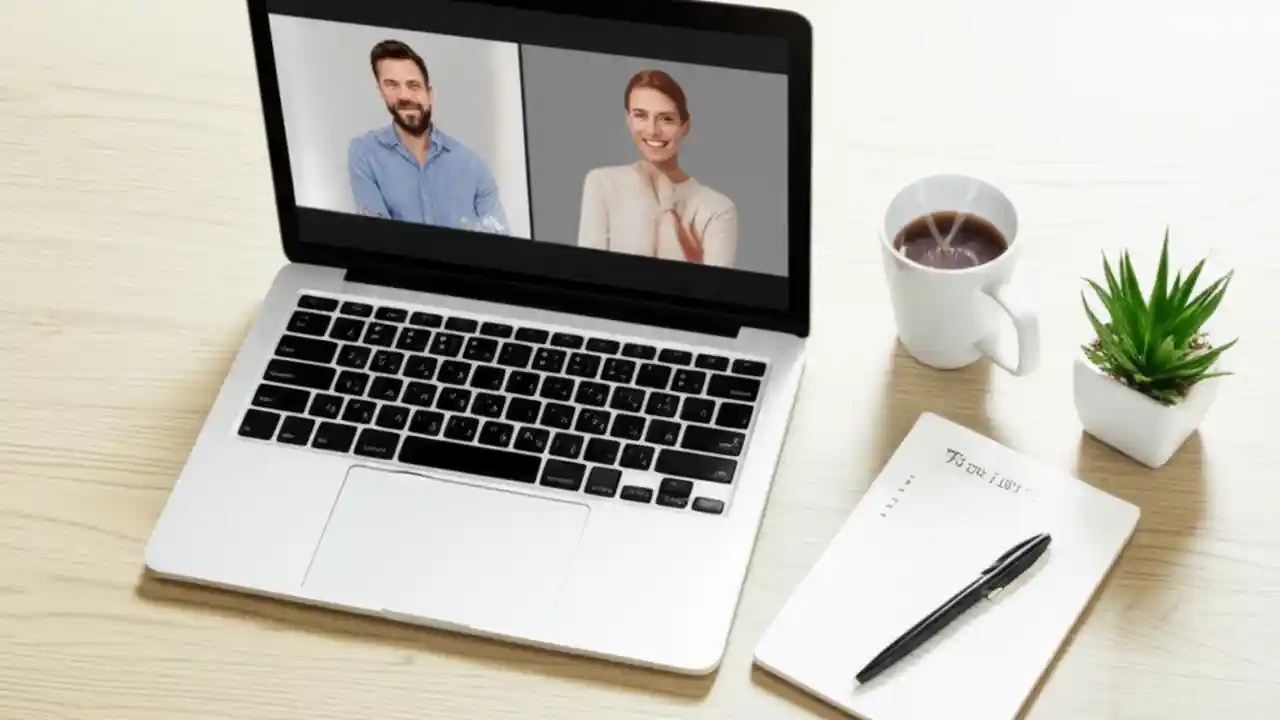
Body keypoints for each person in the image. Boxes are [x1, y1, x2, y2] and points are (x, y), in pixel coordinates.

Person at [577, 69, 737, 267]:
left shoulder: (717, 209)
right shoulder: (602, 184)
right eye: (641, 115)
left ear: (685, 126)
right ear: (628, 119)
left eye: (666, 118)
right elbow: (589, 272)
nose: (653, 130)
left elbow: (717, 292)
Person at [347, 40, 509, 234]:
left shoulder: (475, 167)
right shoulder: (365, 154)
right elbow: (376, 239)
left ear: (430, 94)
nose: (404, 95)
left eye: (413, 85)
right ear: (381, 91)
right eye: (392, 85)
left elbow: (499, 243)